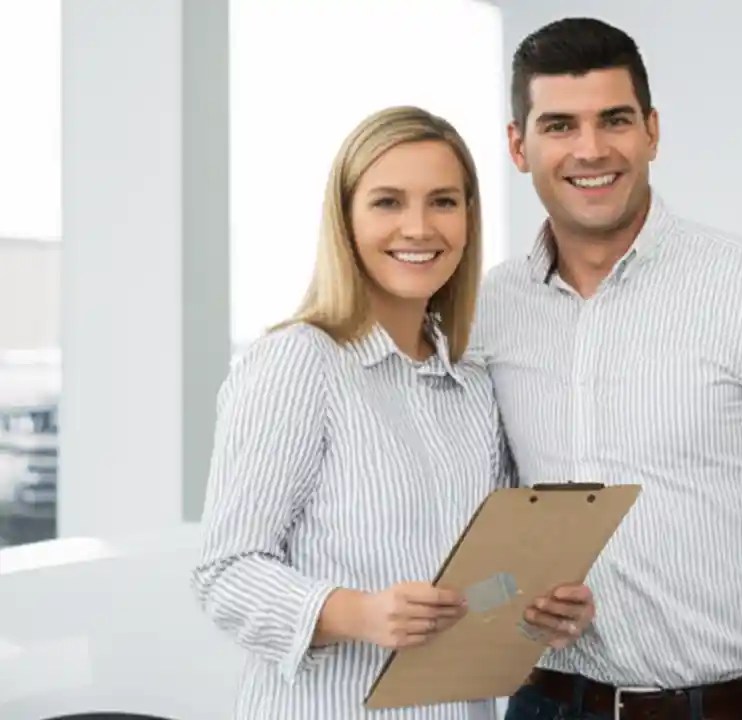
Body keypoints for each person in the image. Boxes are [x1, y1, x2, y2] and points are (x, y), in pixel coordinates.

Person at [474, 17, 742, 720]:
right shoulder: (489, 311)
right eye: (560, 125)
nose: (591, 150)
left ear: (652, 131)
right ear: (518, 145)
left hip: (718, 706)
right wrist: (515, 599)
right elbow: (479, 524)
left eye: (615, 120)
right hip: (548, 703)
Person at [192, 105, 596, 720]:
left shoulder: (471, 385)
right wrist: (359, 613)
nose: (418, 227)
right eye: (387, 202)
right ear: (346, 220)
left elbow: (475, 588)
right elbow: (224, 572)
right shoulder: (298, 364)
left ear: (467, 220)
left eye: (442, 201)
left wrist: (536, 610)